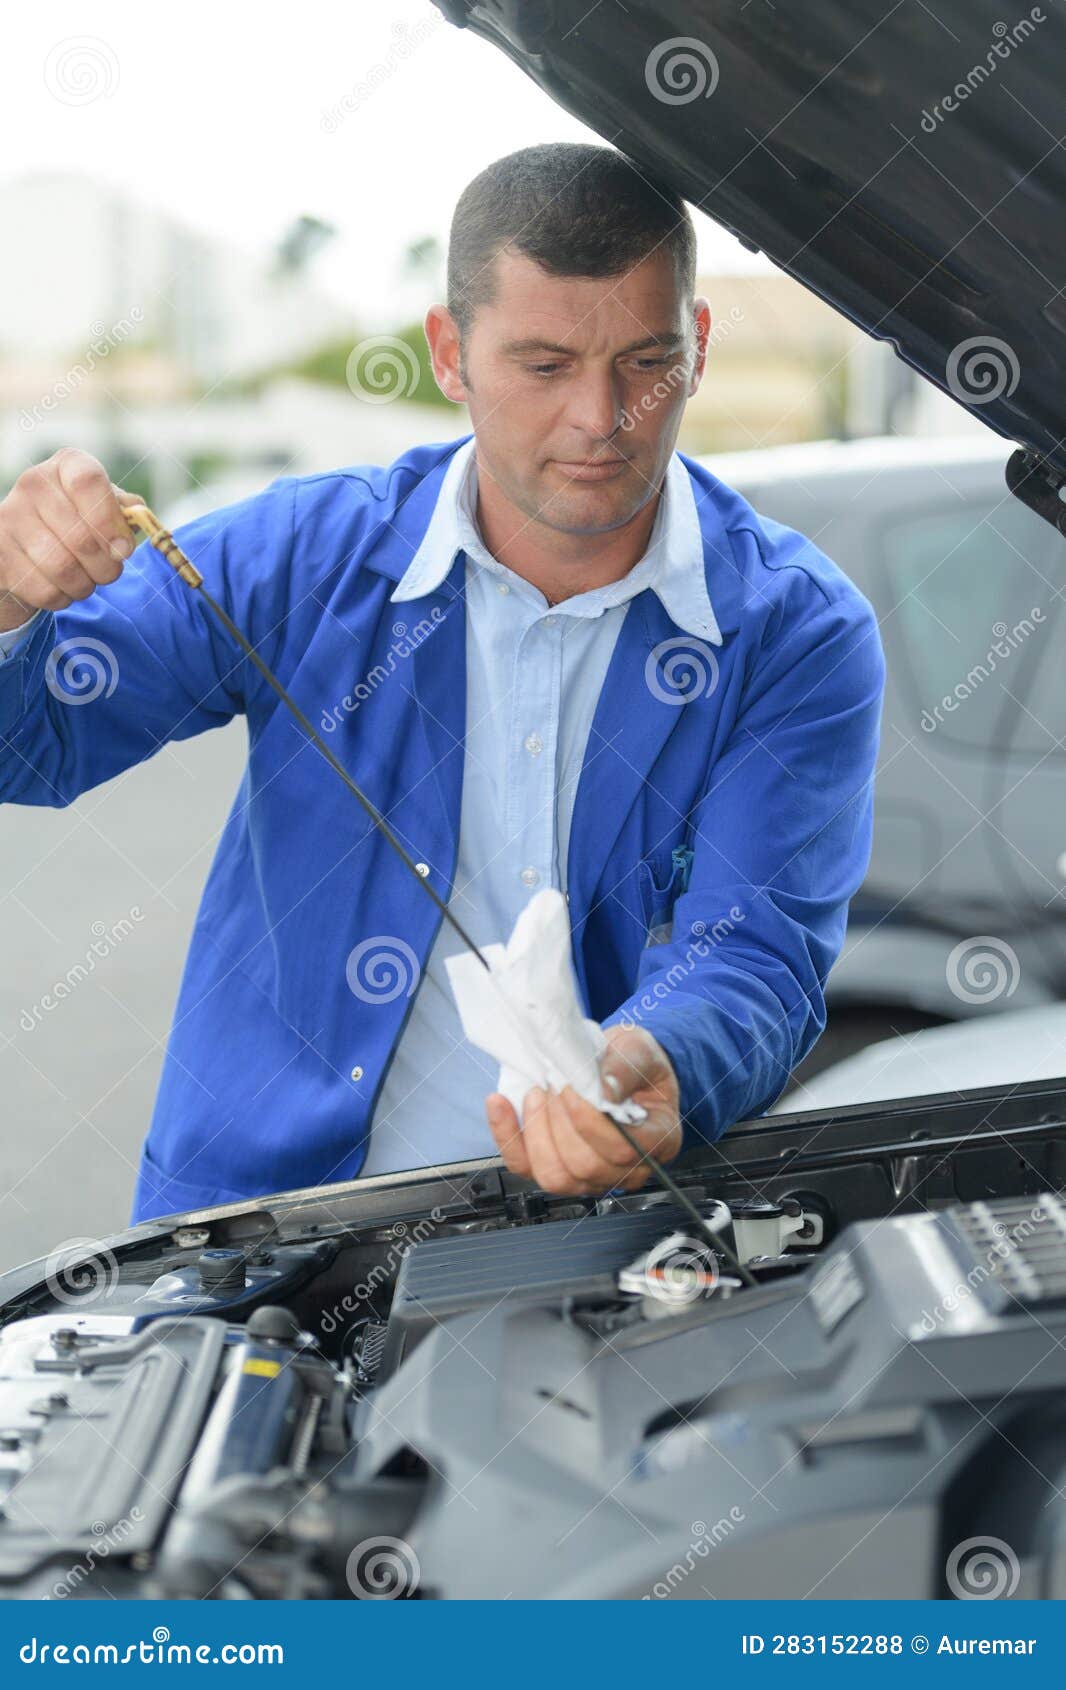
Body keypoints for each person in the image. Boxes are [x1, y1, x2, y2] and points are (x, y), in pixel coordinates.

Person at [0, 144, 885, 1222]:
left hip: (600, 1249)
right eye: (545, 366)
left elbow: (757, 954)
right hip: (261, 1241)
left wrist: (662, 1063)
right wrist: (6, 603)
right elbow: (30, 744)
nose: (599, 419)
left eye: (643, 362)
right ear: (449, 353)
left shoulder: (796, 631)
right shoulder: (300, 556)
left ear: (696, 346)